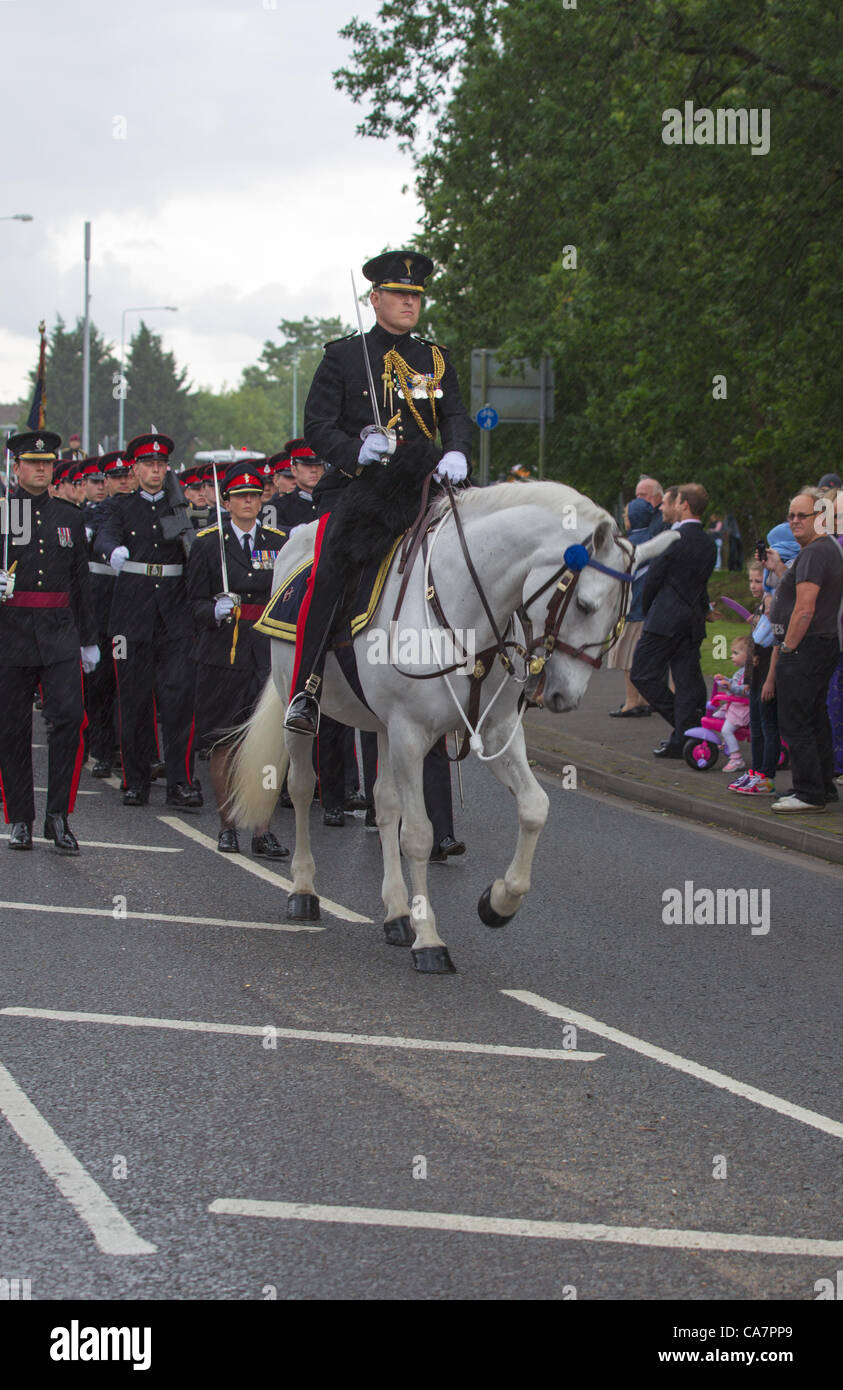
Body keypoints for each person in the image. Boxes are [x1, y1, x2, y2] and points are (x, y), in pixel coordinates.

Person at [286, 248, 472, 735]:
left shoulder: (435, 359)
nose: (409, 304)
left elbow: (454, 415)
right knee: (330, 569)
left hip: (422, 484)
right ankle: (306, 688)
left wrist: (457, 451)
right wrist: (353, 450)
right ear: (375, 298)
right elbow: (316, 425)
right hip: (359, 489)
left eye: (415, 296)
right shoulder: (344, 356)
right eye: (398, 294)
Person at [0, 430, 99, 853]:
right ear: (17, 467)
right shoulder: (5, 513)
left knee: (70, 720)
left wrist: (89, 639)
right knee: (12, 729)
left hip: (59, 631)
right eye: (32, 462)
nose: (41, 468)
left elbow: (81, 582)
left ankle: (58, 814)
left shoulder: (70, 516)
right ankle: (20, 817)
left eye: (47, 463)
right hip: (11, 633)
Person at [95, 432, 202, 809]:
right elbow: (103, 536)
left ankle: (181, 782)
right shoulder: (120, 507)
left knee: (178, 701)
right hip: (132, 615)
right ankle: (136, 779)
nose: (156, 470)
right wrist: (113, 550)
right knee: (134, 701)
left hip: (174, 616)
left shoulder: (179, 507)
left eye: (161, 465)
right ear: (136, 469)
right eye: (148, 465)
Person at [187, 461, 289, 855]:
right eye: (240, 496)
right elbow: (191, 603)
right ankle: (228, 823)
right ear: (226, 501)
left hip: (266, 651)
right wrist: (212, 610)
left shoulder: (279, 541)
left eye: (254, 495)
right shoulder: (208, 543)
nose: (248, 501)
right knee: (224, 742)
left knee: (266, 745)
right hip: (222, 653)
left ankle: (262, 828)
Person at [768, 490, 843, 812]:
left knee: (796, 720)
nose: (795, 521)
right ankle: (822, 786)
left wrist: (788, 646)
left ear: (820, 518)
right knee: (814, 718)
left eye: (803, 515)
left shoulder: (815, 552)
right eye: (791, 516)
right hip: (820, 644)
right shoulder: (824, 549)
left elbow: (805, 608)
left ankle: (808, 792)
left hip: (807, 646)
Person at [630, 483, 717, 758]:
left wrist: (649, 609)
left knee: (642, 674)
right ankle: (687, 737)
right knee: (688, 681)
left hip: (664, 619)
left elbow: (653, 579)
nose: (667, 507)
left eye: (672, 502)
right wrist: (703, 608)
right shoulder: (708, 543)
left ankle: (685, 729)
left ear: (684, 505)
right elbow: (700, 583)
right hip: (690, 621)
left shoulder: (672, 539)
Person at [729, 562, 780, 796]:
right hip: (756, 678)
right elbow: (752, 648)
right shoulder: (760, 608)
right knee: (756, 727)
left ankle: (767, 776)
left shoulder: (773, 609)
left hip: (768, 678)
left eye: (758, 581)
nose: (753, 585)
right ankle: (756, 771)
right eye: (750, 580)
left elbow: (772, 648)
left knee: (769, 727)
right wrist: (748, 678)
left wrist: (769, 679)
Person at [608, 496, 654, 717]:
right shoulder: (654, 541)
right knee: (642, 656)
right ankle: (645, 699)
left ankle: (631, 701)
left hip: (632, 609)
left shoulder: (627, 545)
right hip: (651, 608)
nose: (624, 518)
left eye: (627, 515)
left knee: (628, 658)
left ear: (633, 518)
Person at [711, 634, 750, 775]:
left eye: (736, 653)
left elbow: (745, 691)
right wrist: (725, 679)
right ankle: (727, 743)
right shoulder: (741, 671)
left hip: (742, 709)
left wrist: (730, 687)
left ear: (748, 655)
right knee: (716, 717)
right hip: (735, 705)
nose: (732, 656)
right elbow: (735, 683)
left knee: (726, 730)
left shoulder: (749, 673)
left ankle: (736, 758)